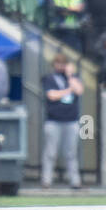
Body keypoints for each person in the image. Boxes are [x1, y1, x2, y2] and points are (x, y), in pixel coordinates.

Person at [41, 51, 83, 189]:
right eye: (58, 63)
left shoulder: (72, 78)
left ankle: (75, 181)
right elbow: (51, 95)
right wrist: (67, 91)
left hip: (71, 120)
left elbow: (79, 90)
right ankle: (46, 180)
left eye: (63, 64)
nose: (61, 66)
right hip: (54, 120)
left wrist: (70, 76)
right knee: (50, 152)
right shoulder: (49, 78)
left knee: (71, 153)